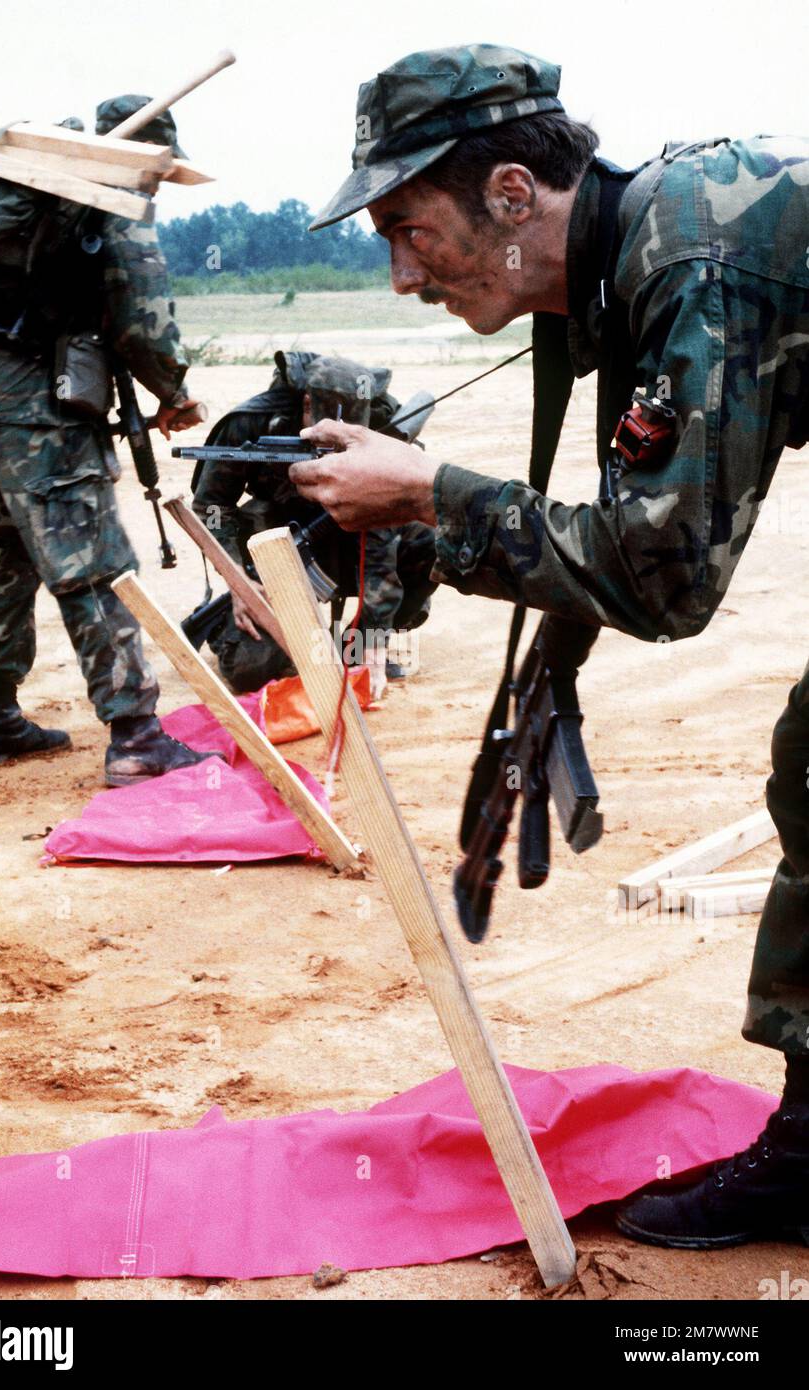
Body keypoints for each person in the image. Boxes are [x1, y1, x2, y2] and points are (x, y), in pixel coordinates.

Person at [290, 43, 809, 1250]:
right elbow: (618, 512)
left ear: (513, 196)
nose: (401, 275)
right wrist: (412, 559)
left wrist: (426, 496)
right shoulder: (637, 255)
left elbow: (661, 573)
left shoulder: (690, 260)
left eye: (411, 230)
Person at [0, 95, 212, 786]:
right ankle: (137, 736)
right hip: (34, 410)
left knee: (6, 548)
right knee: (94, 566)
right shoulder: (101, 197)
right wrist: (173, 394)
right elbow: (141, 317)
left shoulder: (0, 187)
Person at [191, 350, 436, 695]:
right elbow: (211, 508)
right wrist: (238, 581)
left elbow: (383, 540)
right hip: (279, 546)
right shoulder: (253, 423)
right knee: (249, 671)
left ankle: (356, 643)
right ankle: (230, 627)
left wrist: (373, 642)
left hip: (354, 533)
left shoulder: (382, 425)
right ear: (307, 405)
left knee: (426, 537)